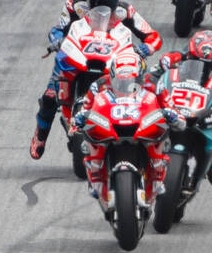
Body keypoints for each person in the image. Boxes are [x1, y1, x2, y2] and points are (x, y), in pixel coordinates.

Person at [30, 0, 162, 160]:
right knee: (50, 95)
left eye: (108, 3)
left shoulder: (126, 11)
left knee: (140, 82)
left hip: (110, 57)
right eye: (98, 2)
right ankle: (40, 135)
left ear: (116, 0)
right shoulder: (75, 5)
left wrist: (143, 49)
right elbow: (58, 28)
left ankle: (141, 132)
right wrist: (58, 41)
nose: (104, 7)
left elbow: (153, 36)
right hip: (78, 54)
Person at [72, 50, 184, 205]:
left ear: (141, 76)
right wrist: (79, 119)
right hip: (110, 125)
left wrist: (173, 115)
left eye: (132, 81)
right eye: (120, 81)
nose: (125, 85)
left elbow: (170, 106)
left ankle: (156, 175)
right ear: (112, 76)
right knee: (88, 139)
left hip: (142, 124)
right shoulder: (98, 85)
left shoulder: (153, 83)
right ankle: (97, 174)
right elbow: (85, 108)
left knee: (163, 137)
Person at [146, 30, 212, 188]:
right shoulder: (172, 59)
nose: (203, 67)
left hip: (201, 110)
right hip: (170, 105)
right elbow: (150, 76)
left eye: (209, 64)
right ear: (189, 53)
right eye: (196, 59)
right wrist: (149, 83)